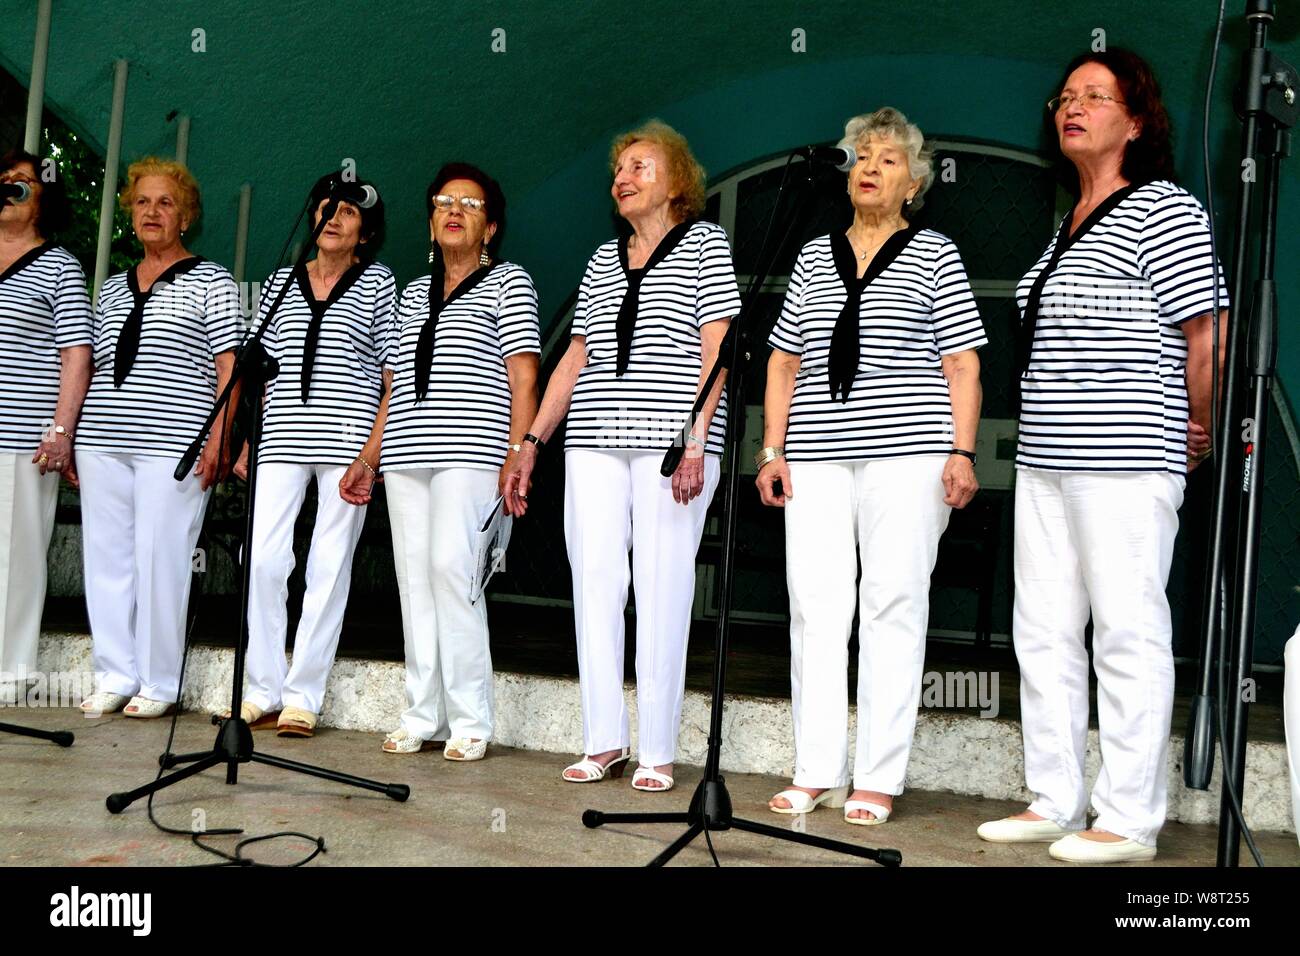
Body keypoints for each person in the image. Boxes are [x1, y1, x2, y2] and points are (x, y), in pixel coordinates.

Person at [977, 49, 1227, 863]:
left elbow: (1206, 336)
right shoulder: (1068, 222)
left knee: (1126, 632)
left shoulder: (1165, 208)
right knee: (1043, 631)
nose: (1072, 106)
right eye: (1065, 96)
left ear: (1139, 120)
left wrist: (1198, 428)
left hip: (1125, 457)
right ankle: (1056, 798)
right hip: (1047, 461)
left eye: (1095, 95)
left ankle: (1129, 818)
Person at [758, 108, 985, 825]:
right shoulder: (813, 255)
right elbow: (784, 360)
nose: (869, 166)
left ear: (914, 183)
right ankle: (816, 768)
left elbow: (961, 361)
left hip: (911, 455)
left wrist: (962, 450)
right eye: (861, 155)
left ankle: (878, 776)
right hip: (818, 457)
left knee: (893, 606)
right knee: (815, 608)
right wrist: (772, 447)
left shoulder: (935, 253)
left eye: (888, 159)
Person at [503, 121, 740, 792]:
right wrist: (532, 444)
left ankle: (659, 750)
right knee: (596, 584)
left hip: (673, 445)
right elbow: (575, 357)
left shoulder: (704, 243)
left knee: (663, 590)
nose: (624, 176)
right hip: (594, 441)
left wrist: (695, 438)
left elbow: (717, 346)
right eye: (619, 168)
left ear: (678, 182)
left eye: (641, 165)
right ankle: (604, 739)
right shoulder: (603, 259)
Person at [359, 163, 539, 760]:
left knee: (452, 574)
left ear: (490, 228)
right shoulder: (409, 293)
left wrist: (520, 454)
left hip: (473, 452)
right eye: (443, 202)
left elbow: (524, 377)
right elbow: (391, 383)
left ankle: (470, 720)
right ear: (431, 222)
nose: (454, 210)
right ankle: (421, 713)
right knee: (413, 582)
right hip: (407, 454)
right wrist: (371, 452)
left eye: (470, 203)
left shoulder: (511, 281)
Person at [76, 157, 241, 718]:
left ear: (185, 216)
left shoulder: (213, 279)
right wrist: (73, 434)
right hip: (102, 439)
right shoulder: (114, 285)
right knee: (107, 559)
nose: (151, 211)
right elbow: (96, 363)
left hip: (173, 443)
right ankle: (114, 673)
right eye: (142, 201)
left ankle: (160, 683)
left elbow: (230, 369)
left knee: (161, 558)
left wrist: (218, 438)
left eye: (165, 202)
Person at [234, 172, 393, 738]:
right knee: (265, 559)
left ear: (365, 234)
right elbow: (256, 370)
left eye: (349, 213)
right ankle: (262, 687)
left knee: (328, 566)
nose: (334, 217)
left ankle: (303, 694)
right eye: (327, 207)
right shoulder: (279, 283)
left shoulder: (379, 284)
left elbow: (391, 376)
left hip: (348, 441)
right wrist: (247, 439)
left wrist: (372, 454)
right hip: (278, 437)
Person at [0, 149, 92, 703]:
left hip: (21, 435)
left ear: (43, 198)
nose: (10, 188)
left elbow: (77, 355)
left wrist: (61, 431)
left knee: (17, 554)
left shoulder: (60, 264)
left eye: (23, 183)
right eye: (3, 181)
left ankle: (9, 673)